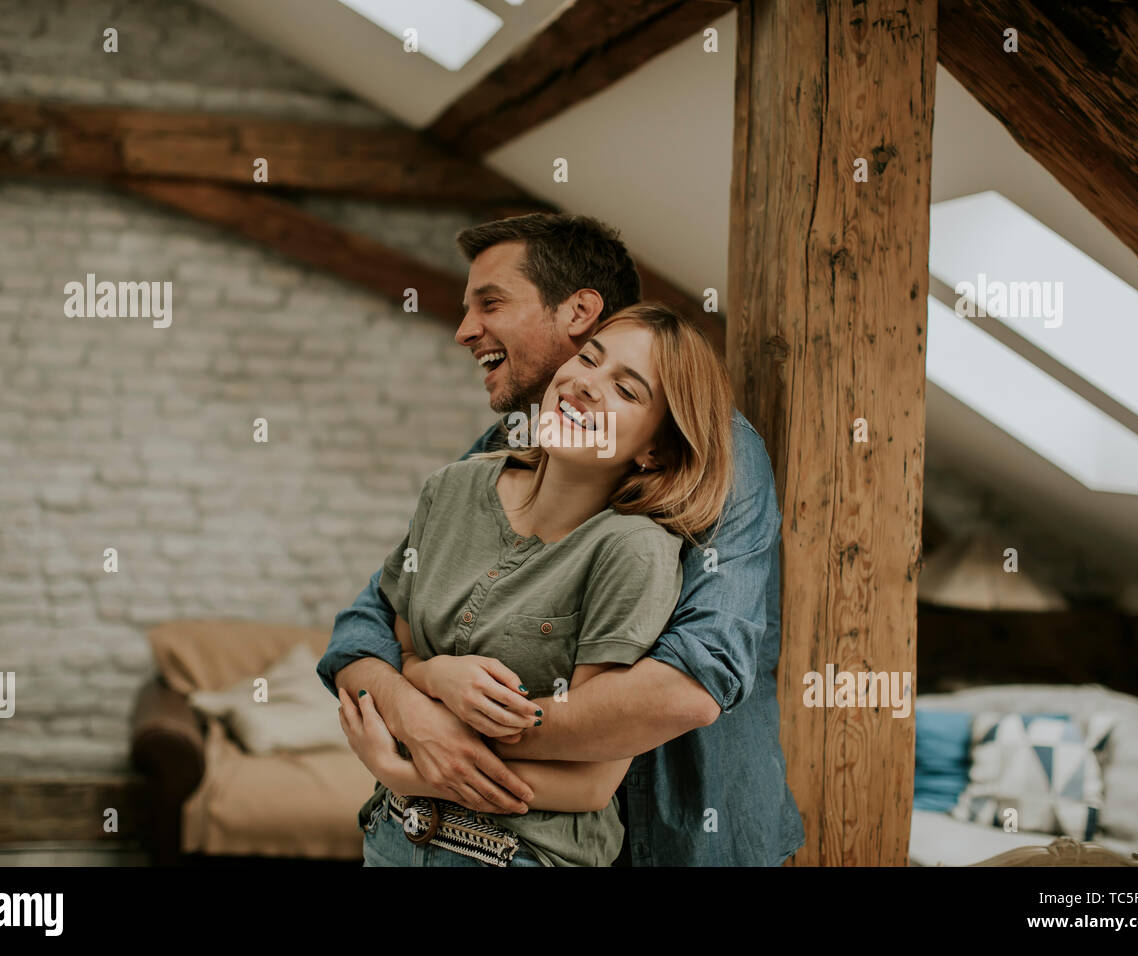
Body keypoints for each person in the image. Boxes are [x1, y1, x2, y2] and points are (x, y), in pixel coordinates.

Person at [319, 213, 805, 866]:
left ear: (578, 310)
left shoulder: (717, 454)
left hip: (684, 839)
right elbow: (363, 627)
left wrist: (443, 739)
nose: (467, 331)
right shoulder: (498, 457)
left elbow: (689, 685)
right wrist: (416, 710)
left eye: (491, 304)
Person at [339, 303, 734, 866]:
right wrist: (434, 675)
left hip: (519, 854)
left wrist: (406, 770)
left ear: (657, 450)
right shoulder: (450, 489)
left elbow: (592, 783)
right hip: (391, 836)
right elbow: (399, 650)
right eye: (588, 359)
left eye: (627, 390)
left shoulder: (633, 550)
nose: (587, 385)